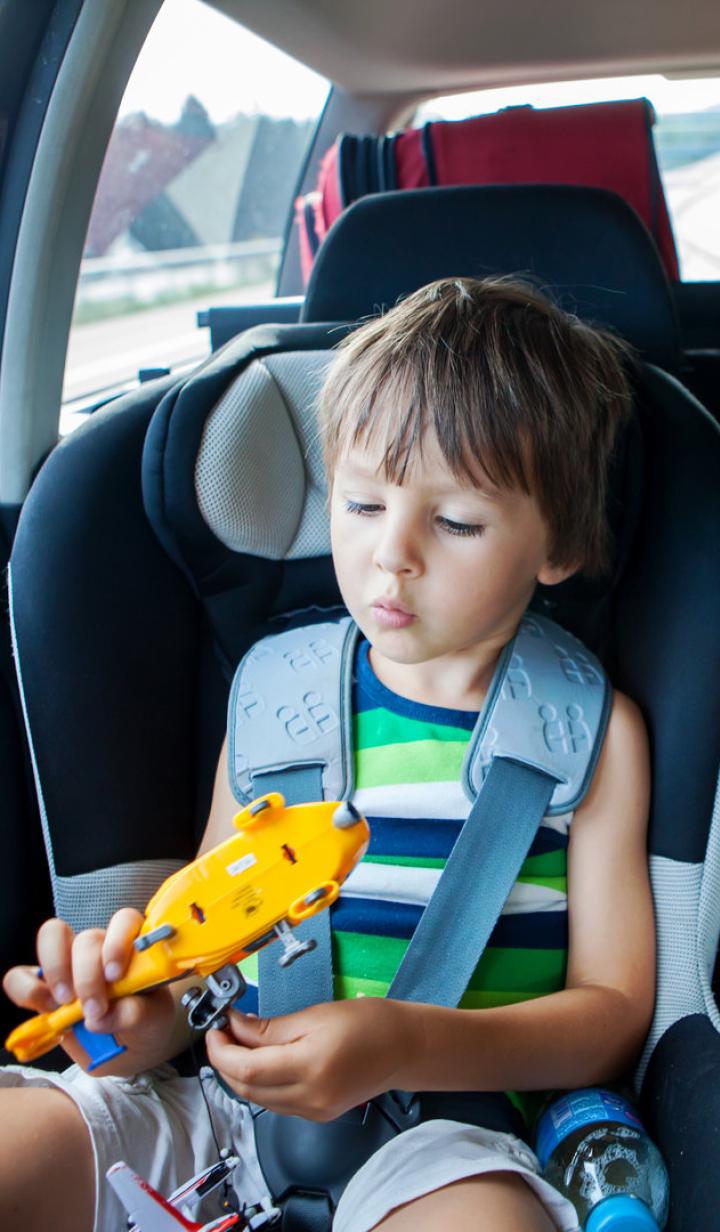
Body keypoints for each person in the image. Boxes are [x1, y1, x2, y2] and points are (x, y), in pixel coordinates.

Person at [0, 276, 655, 1232]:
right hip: (223, 1111)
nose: (393, 555)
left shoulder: (588, 733)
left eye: (457, 521)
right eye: (360, 504)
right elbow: (206, 957)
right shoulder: (273, 702)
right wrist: (128, 1020)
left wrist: (406, 1045)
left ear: (556, 545)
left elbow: (612, 1014)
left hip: (447, 1135)